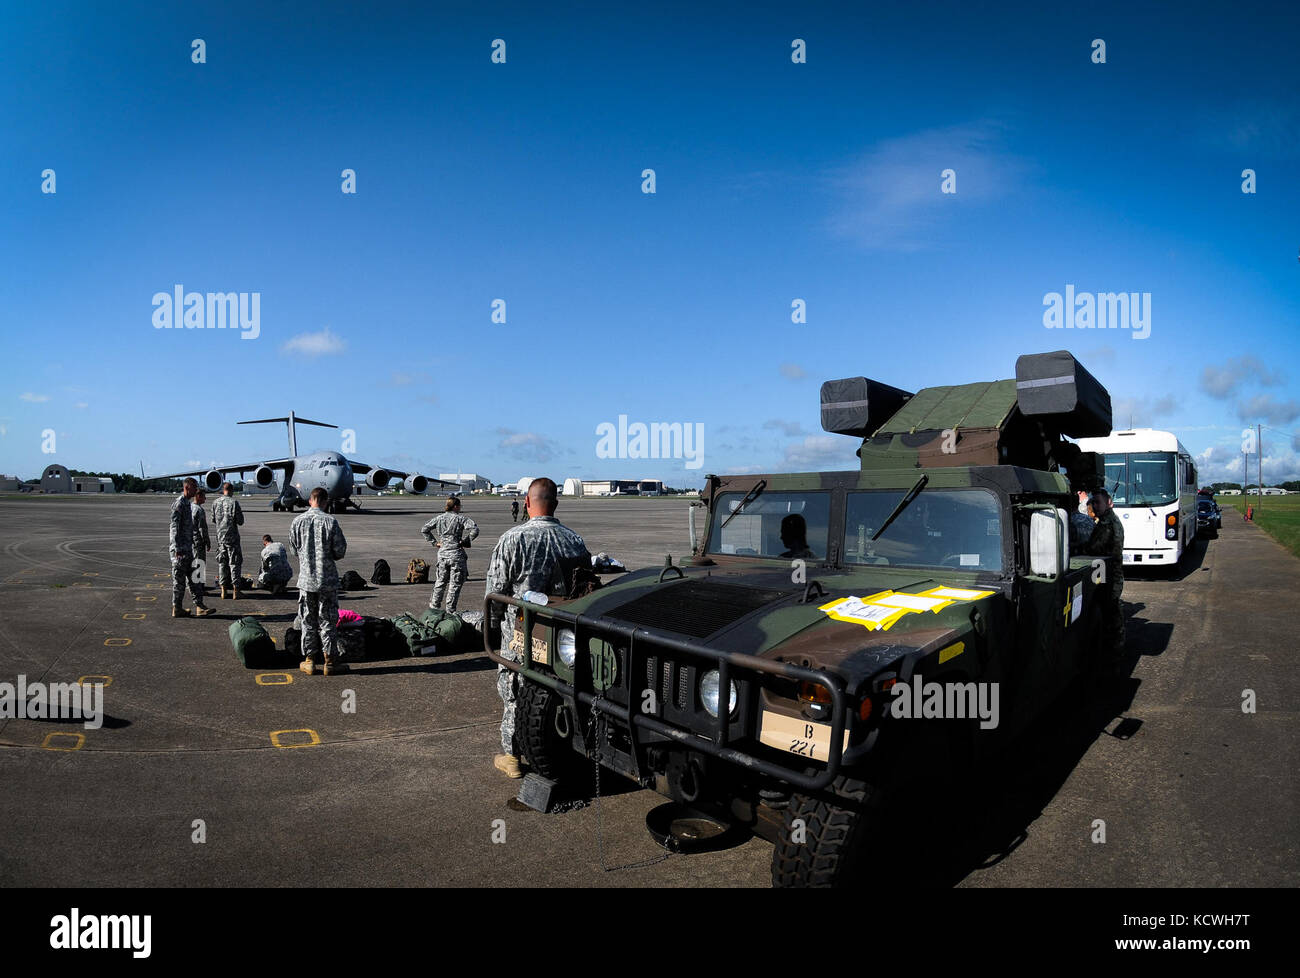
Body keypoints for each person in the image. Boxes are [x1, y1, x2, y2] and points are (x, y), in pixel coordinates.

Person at [485, 477, 591, 779]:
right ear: (555, 504)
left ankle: (512, 756)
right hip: (563, 637)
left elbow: (495, 593)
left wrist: (492, 628)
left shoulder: (513, 539)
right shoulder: (574, 539)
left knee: (515, 692)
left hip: (520, 633)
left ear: (527, 503)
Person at [289, 487, 349, 676]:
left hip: (306, 581)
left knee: (307, 620)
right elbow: (340, 551)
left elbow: (293, 550)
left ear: (310, 501)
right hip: (327, 580)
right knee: (328, 621)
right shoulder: (330, 521)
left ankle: (309, 661)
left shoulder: (297, 522)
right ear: (325, 501)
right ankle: (329, 662)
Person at [1080, 487, 1125, 670]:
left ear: (1108, 503)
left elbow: (1094, 549)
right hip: (1110, 575)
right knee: (1112, 615)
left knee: (1111, 617)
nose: (1095, 506)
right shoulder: (1108, 520)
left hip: (1109, 578)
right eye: (1094, 502)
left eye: (1098, 502)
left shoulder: (1107, 524)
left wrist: (1079, 549)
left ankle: (1113, 659)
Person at [422, 496, 480, 612]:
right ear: (456, 506)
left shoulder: (439, 518)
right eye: (459, 506)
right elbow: (475, 529)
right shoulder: (460, 519)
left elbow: (425, 529)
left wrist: (435, 543)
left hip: (443, 553)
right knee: (454, 584)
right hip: (456, 554)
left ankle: (434, 608)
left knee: (440, 582)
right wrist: (466, 541)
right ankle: (450, 610)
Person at [169, 477, 213, 617]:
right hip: (180, 550)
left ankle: (199, 606)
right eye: (194, 487)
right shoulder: (179, 504)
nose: (196, 490)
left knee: (194, 577)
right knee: (179, 581)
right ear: (187, 487)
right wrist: (177, 549)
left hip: (187, 548)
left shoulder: (187, 504)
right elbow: (174, 527)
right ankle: (177, 608)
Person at [211, 482, 245, 600]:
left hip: (220, 538)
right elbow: (240, 521)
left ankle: (223, 590)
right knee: (234, 563)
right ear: (231, 490)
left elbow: (213, 519)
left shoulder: (215, 503)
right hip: (232, 538)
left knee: (222, 564)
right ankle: (236, 590)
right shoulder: (233, 503)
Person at [191, 489, 211, 605]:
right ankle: (199, 590)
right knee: (200, 565)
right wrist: (207, 541)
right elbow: (202, 528)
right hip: (198, 541)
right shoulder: (199, 510)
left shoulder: (189, 508)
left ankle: (196, 588)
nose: (205, 499)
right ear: (198, 496)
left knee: (195, 564)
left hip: (190, 541)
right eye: (203, 496)